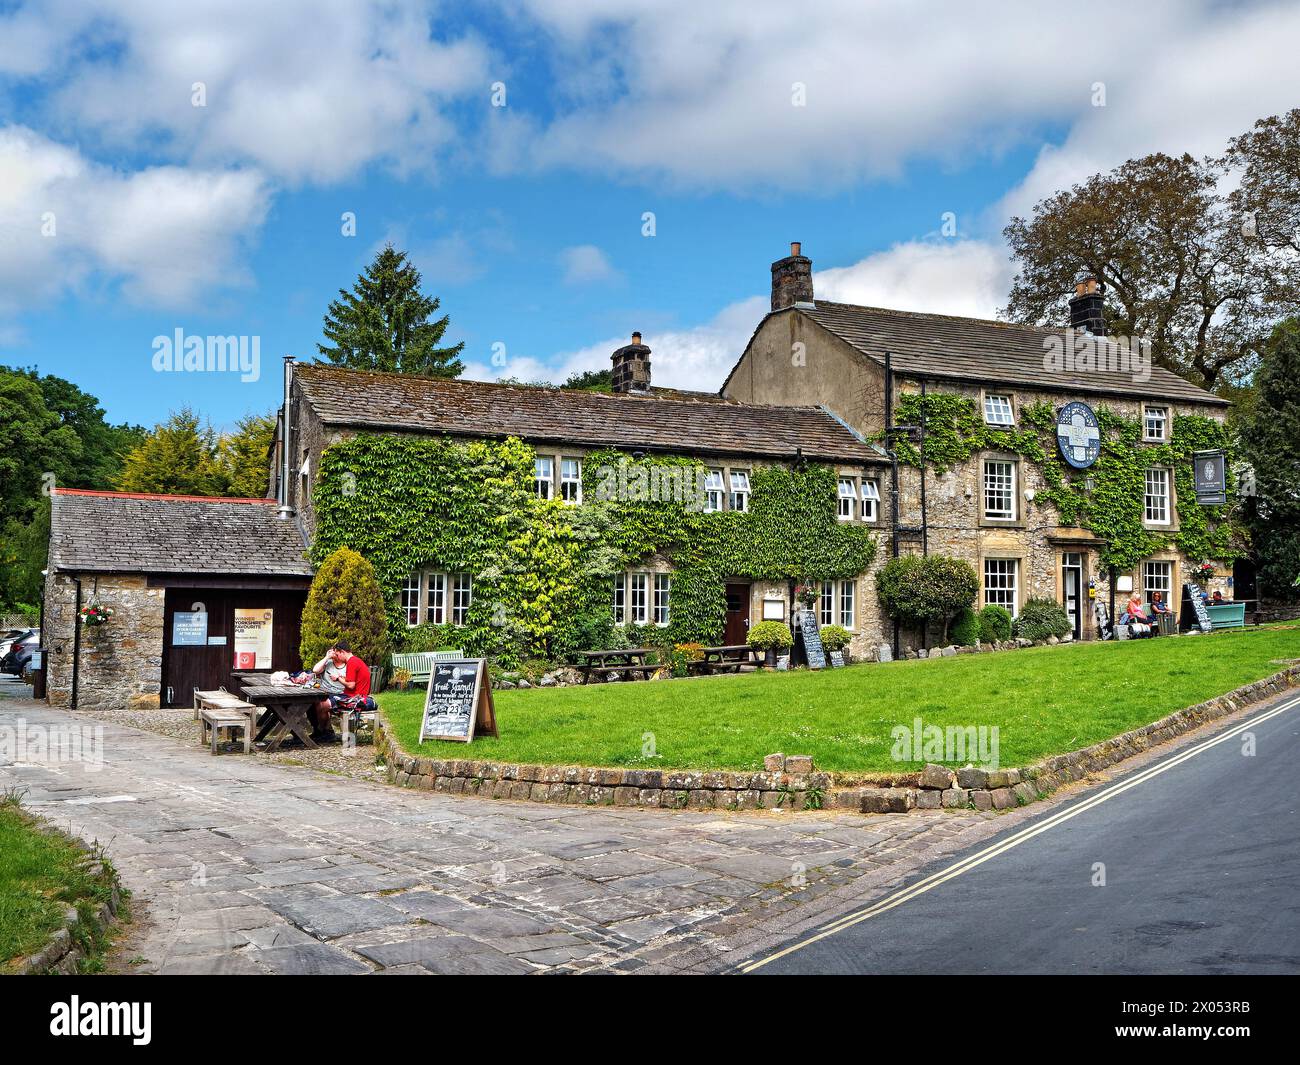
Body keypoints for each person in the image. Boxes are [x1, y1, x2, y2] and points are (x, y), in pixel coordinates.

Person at [312, 640, 372, 742]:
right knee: (318, 702)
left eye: (338, 654)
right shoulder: (356, 660)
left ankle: (322, 731)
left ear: (342, 652)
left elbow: (351, 685)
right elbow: (352, 681)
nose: (337, 657)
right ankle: (324, 732)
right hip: (353, 695)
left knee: (322, 705)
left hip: (354, 697)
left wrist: (338, 678)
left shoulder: (352, 662)